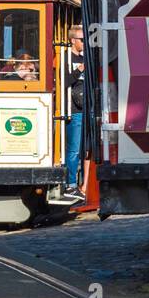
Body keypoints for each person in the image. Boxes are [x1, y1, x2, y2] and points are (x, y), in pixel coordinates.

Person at [64, 25, 85, 200]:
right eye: (81, 40)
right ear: (73, 41)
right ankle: (70, 184)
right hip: (73, 109)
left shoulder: (83, 57)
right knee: (73, 150)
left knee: (83, 149)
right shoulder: (65, 58)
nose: (84, 43)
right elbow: (63, 82)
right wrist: (79, 70)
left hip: (86, 108)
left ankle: (82, 184)